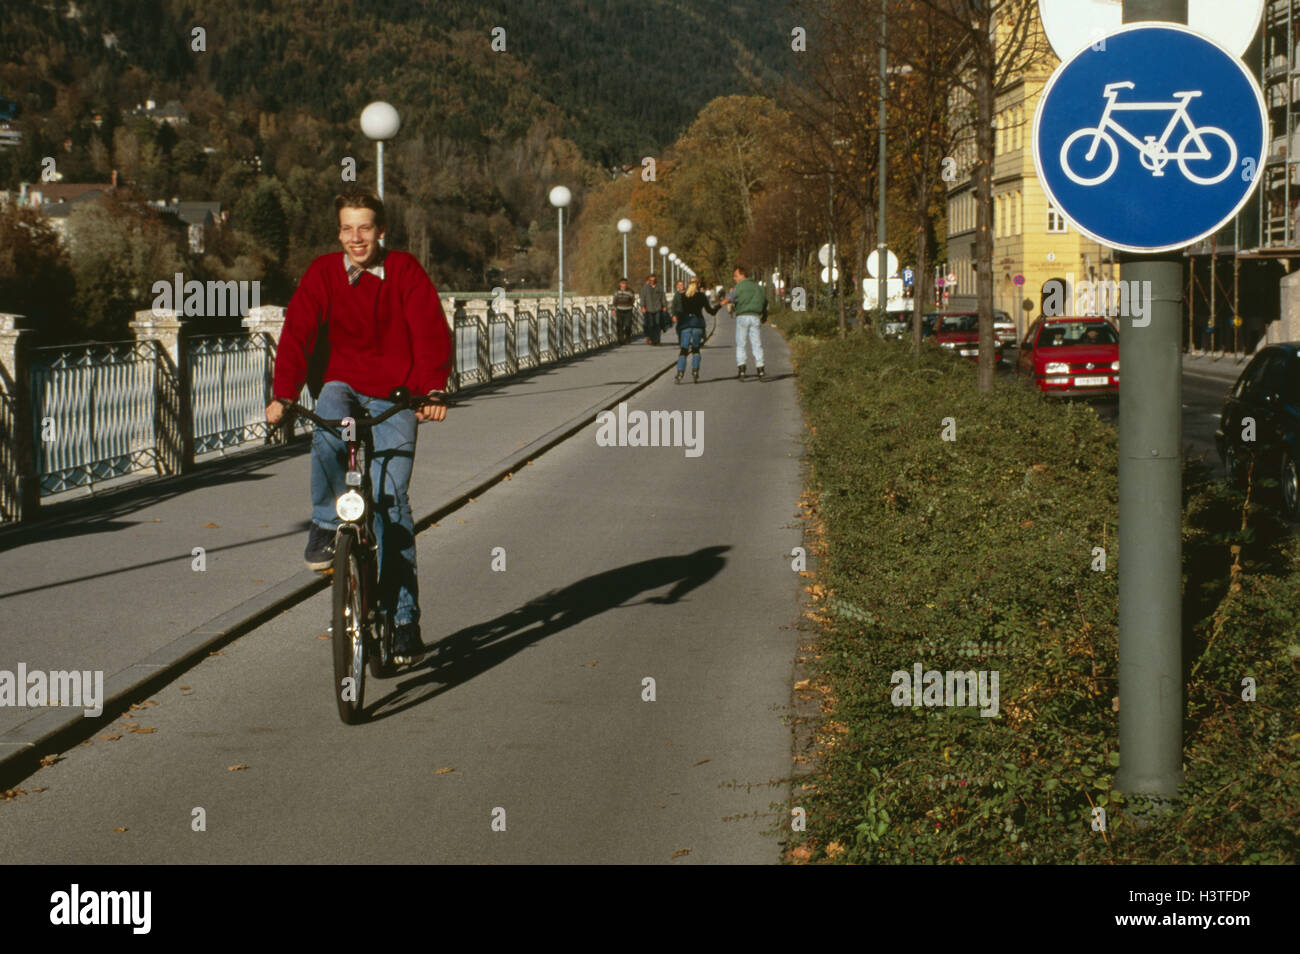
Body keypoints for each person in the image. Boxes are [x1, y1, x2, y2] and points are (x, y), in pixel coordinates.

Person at [264, 191, 451, 664]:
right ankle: (327, 524)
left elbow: (430, 329)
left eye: (364, 228)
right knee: (329, 410)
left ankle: (404, 618)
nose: (356, 238)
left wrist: (431, 390)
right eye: (347, 228)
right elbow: (298, 332)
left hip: (397, 395)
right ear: (338, 232)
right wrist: (283, 394)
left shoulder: (405, 271)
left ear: (381, 230)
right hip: (342, 385)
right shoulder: (323, 274)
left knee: (392, 505)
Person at [720, 264, 768, 380]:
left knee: (741, 343)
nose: (734, 279)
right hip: (755, 317)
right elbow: (765, 303)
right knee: (757, 343)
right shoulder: (758, 287)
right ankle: (760, 369)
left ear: (742, 275)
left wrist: (720, 304)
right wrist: (764, 316)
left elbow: (728, 299)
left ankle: (742, 369)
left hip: (742, 317)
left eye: (736, 276)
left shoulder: (739, 287)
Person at [675, 276, 720, 384]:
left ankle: (680, 373)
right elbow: (711, 312)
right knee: (696, 349)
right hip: (698, 325)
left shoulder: (683, 296)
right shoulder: (701, 296)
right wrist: (719, 306)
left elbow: (679, 312)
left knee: (683, 350)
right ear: (699, 285)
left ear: (689, 284)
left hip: (685, 324)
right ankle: (695, 371)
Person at [639, 273, 665, 345]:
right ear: (649, 280)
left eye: (654, 280)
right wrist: (642, 306)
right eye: (651, 280)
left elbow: (663, 297)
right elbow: (642, 298)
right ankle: (652, 339)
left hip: (657, 308)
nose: (652, 281)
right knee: (650, 325)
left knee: (657, 324)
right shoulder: (645, 288)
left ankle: (657, 340)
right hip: (648, 309)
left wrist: (664, 305)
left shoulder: (659, 287)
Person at [612, 277, 636, 344]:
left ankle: (628, 338)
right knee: (620, 325)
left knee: (628, 325)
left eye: (625, 284)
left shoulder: (630, 291)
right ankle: (621, 340)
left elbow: (633, 299)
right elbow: (614, 301)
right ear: (620, 284)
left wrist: (630, 305)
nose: (624, 285)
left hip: (628, 310)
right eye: (623, 283)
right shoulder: (617, 291)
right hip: (619, 310)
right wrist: (613, 309)